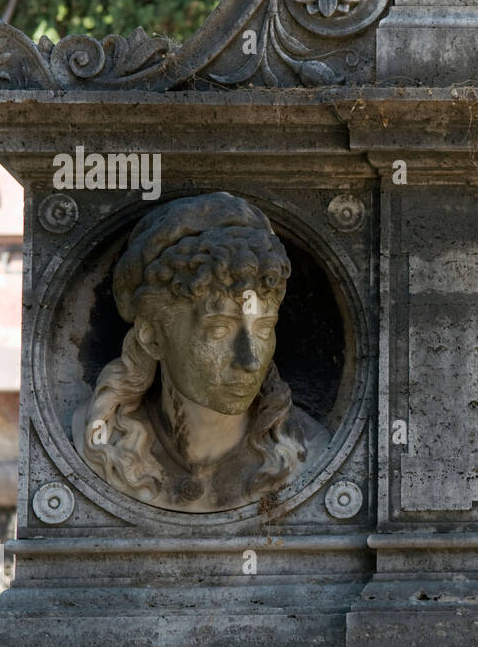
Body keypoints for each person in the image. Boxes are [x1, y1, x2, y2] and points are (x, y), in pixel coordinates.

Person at [73, 192, 328, 512]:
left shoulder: (304, 449)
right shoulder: (101, 442)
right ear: (152, 335)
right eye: (219, 329)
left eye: (264, 329)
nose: (249, 360)